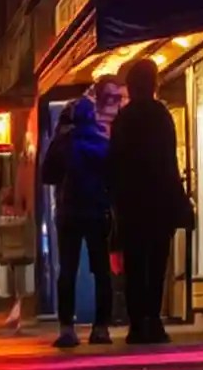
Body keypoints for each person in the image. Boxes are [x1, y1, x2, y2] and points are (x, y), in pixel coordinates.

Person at [108, 58, 193, 344]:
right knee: (156, 262)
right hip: (158, 201)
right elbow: (169, 162)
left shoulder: (123, 119)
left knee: (134, 264)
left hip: (131, 203)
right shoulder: (160, 115)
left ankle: (136, 324)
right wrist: (178, 199)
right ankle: (153, 321)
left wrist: (116, 201)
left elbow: (115, 164)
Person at [43, 99, 113, 348]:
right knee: (101, 270)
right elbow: (112, 176)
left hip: (69, 212)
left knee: (68, 270)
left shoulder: (64, 143)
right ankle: (101, 327)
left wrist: (58, 136)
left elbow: (47, 174)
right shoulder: (102, 142)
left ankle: (67, 329)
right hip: (97, 211)